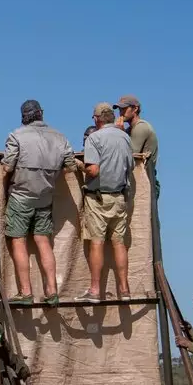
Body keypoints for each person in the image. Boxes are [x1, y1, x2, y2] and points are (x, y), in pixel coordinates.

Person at [1, 99, 80, 306]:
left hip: (20, 197)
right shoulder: (60, 138)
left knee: (18, 240)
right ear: (41, 114)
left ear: (24, 116)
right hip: (45, 197)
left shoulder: (16, 136)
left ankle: (26, 293)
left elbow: (7, 167)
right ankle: (51, 292)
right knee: (43, 242)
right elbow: (71, 167)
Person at [78, 102, 133, 302]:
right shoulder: (125, 138)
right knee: (119, 244)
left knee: (97, 243)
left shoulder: (94, 138)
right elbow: (131, 165)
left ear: (97, 118)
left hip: (98, 198)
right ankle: (124, 289)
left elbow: (93, 170)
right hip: (119, 197)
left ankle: (95, 290)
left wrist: (79, 165)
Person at [113, 95, 159, 199]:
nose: (121, 112)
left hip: (146, 181)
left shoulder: (141, 127)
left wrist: (121, 133)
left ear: (135, 109)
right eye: (120, 109)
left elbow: (131, 155)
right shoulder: (130, 129)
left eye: (124, 108)